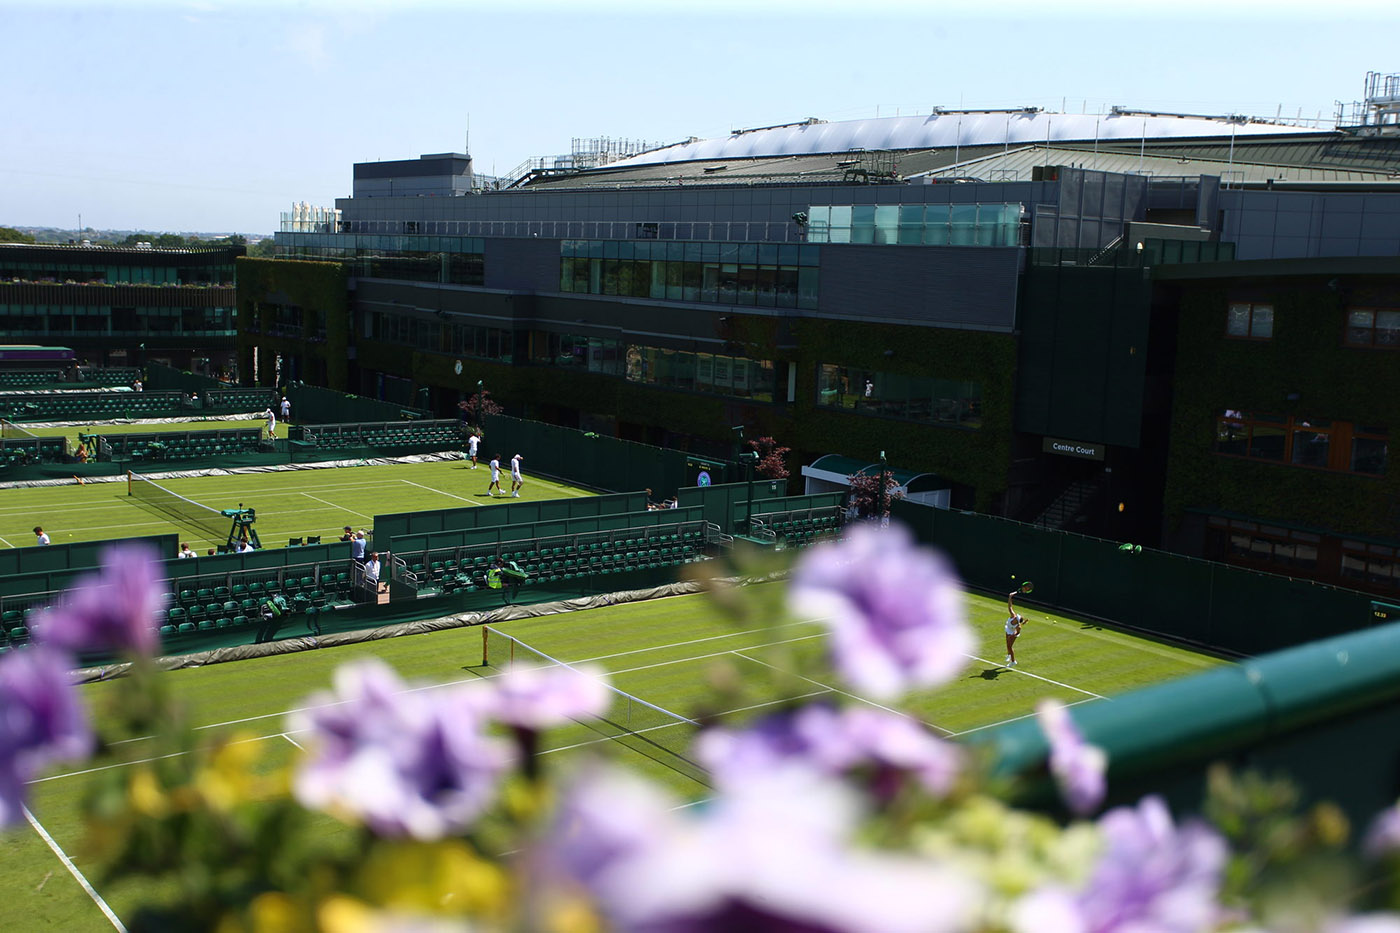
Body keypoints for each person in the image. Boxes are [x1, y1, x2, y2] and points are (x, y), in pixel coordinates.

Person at [1004, 587, 1027, 667]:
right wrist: (1010, 596)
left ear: (1017, 620)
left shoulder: (1018, 626)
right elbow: (1010, 606)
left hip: (1014, 633)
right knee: (1007, 644)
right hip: (1008, 629)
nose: (1014, 616)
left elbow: (1018, 632)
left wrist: (1013, 636)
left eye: (1016, 617)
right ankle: (1009, 655)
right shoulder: (1013, 615)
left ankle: (1013, 661)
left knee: (1010, 646)